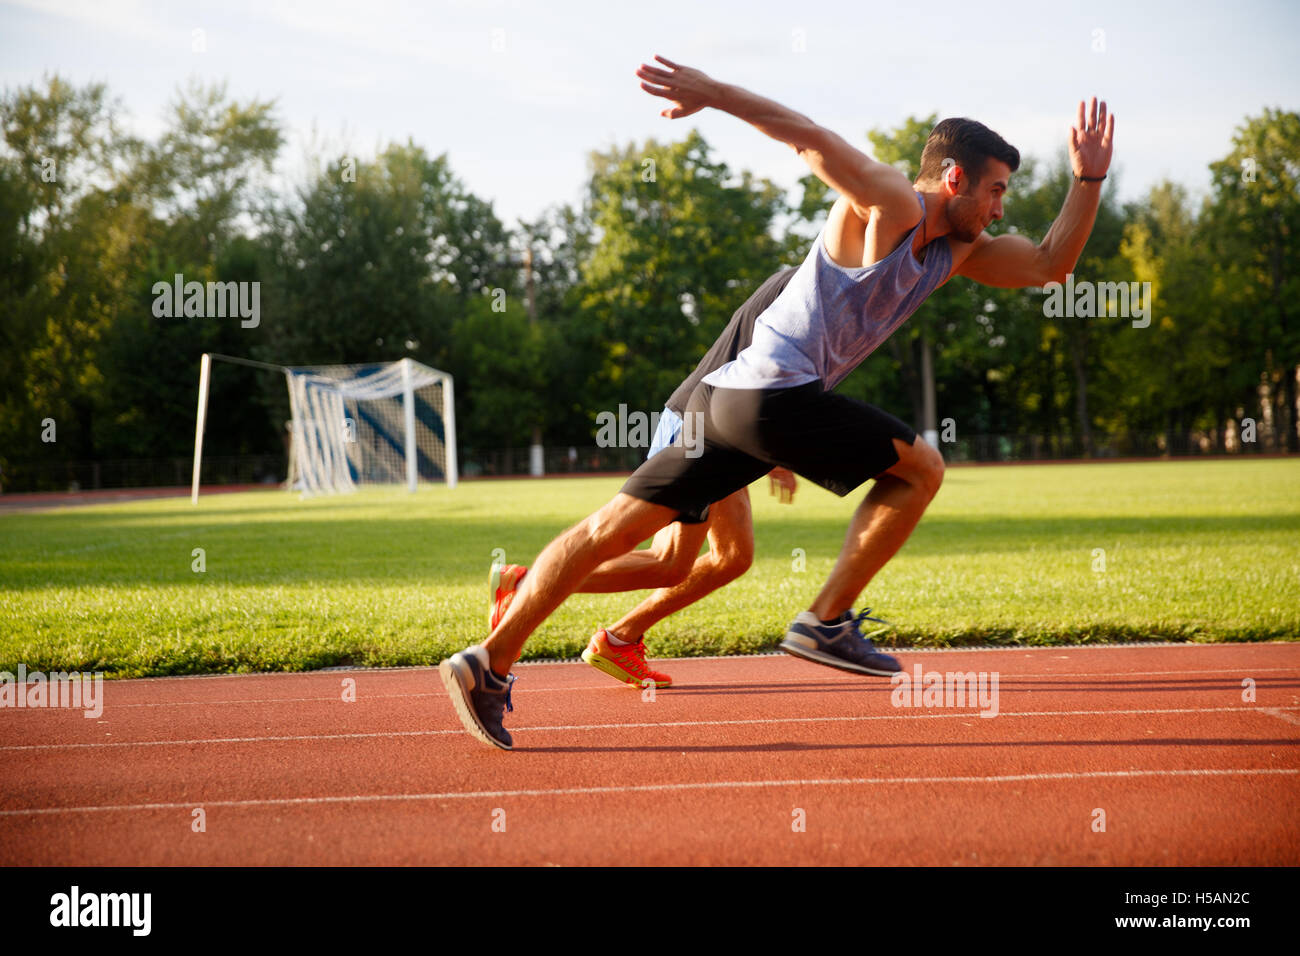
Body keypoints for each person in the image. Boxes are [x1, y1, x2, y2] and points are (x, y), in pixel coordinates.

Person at [441, 55, 1115, 749]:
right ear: (955, 179)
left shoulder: (961, 253)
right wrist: (715, 93)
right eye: (997, 190)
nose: (1003, 207)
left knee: (606, 533)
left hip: (730, 406)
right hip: (771, 397)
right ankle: (825, 621)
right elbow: (809, 137)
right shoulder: (889, 204)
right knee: (922, 469)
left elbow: (1050, 265)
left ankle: (486, 663)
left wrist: (1089, 178)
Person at [488, 268, 803, 690]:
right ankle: (526, 585)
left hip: (720, 426)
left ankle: (620, 638)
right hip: (703, 428)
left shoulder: (809, 284)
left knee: (732, 556)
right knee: (669, 563)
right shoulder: (813, 286)